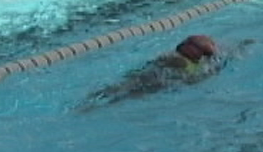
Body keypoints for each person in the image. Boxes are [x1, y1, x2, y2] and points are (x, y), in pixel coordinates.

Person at [79, 34, 236, 110]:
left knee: (122, 91)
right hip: (154, 80)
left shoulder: (189, 61)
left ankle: (91, 105)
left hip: (155, 80)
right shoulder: (179, 59)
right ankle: (92, 105)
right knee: (124, 92)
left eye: (188, 44)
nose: (183, 43)